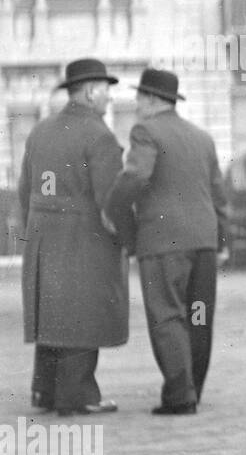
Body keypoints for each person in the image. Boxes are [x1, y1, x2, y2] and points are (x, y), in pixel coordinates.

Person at [106, 69, 227, 416]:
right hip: (203, 242)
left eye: (140, 97)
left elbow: (136, 174)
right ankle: (193, 389)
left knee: (167, 316)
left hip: (163, 242)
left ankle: (180, 395)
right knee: (199, 316)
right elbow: (219, 195)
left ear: (153, 100)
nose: (137, 104)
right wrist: (222, 239)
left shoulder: (146, 131)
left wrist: (113, 207)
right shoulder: (202, 137)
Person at [19, 58, 127, 416]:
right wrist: (126, 235)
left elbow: (24, 190)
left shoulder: (40, 131)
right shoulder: (99, 135)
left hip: (42, 237)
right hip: (85, 237)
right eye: (107, 91)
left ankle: (45, 392)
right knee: (82, 311)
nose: (110, 99)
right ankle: (80, 395)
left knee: (52, 312)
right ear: (92, 91)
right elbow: (110, 199)